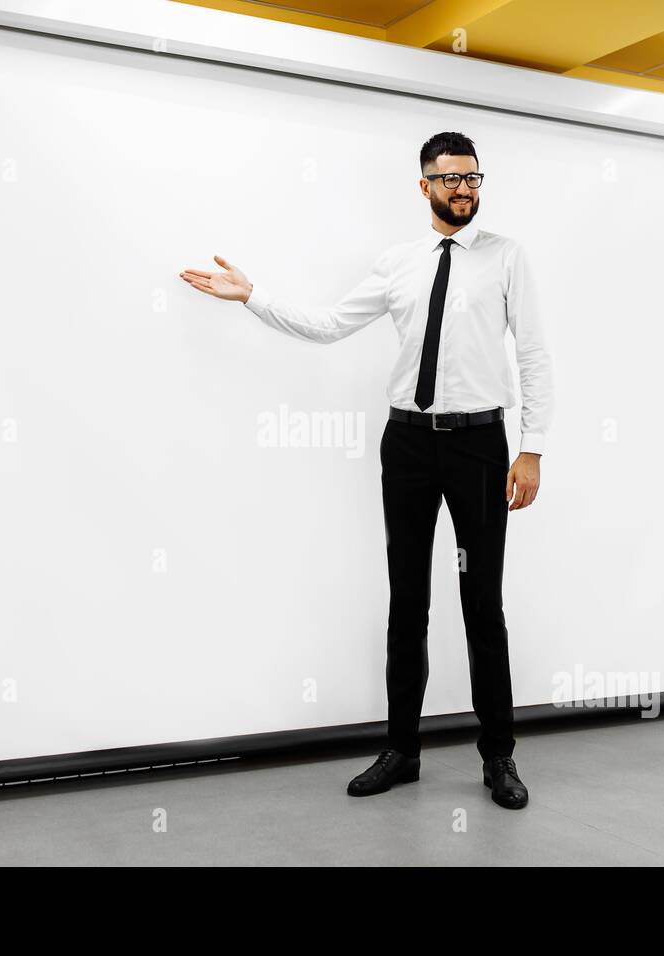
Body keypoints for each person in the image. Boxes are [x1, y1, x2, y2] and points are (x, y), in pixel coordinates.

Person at [179, 131, 553, 810]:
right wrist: (251, 295)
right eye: (450, 180)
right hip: (407, 446)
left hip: (478, 446)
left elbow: (533, 355)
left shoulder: (507, 258)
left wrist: (531, 447)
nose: (464, 190)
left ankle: (499, 757)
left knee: (482, 605)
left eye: (473, 178)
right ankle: (402, 751)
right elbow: (326, 325)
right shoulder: (399, 263)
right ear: (425, 187)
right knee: (406, 602)